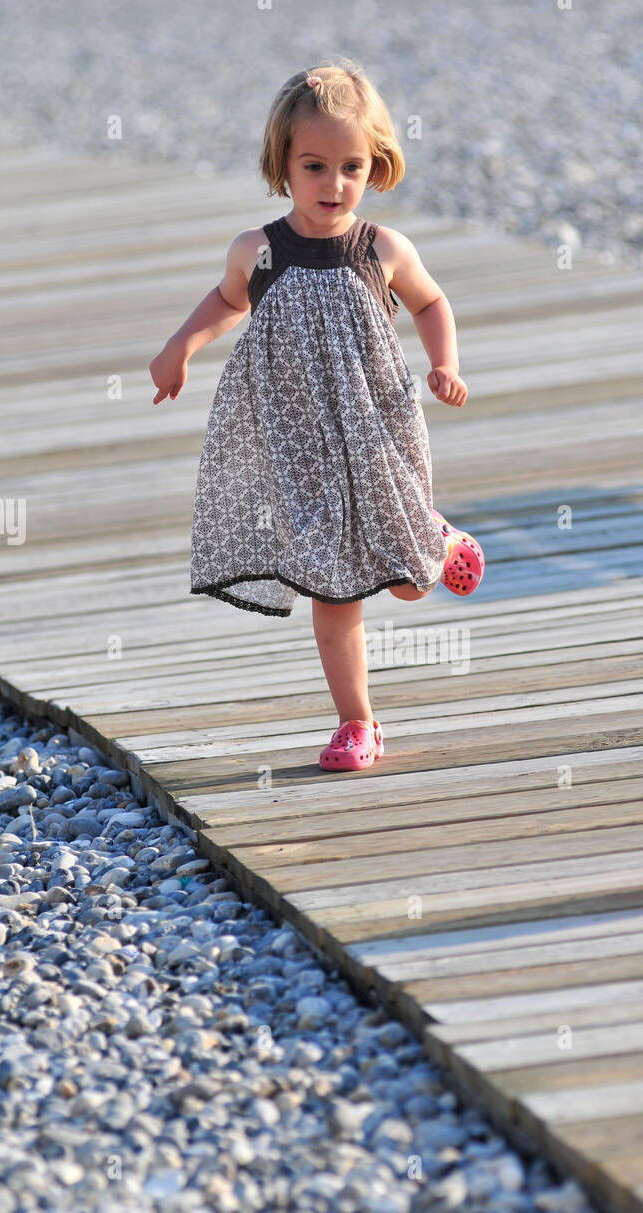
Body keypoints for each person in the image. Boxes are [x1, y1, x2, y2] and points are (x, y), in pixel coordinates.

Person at [149, 57, 485, 772]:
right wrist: (181, 346)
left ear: (376, 166)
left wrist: (445, 364)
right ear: (283, 164)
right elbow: (227, 301)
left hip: (376, 427)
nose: (333, 185)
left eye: (352, 167)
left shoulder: (383, 249)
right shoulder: (259, 250)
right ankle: (356, 722)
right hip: (300, 443)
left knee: (405, 578)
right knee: (334, 590)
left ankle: (438, 537)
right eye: (314, 166)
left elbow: (431, 301)